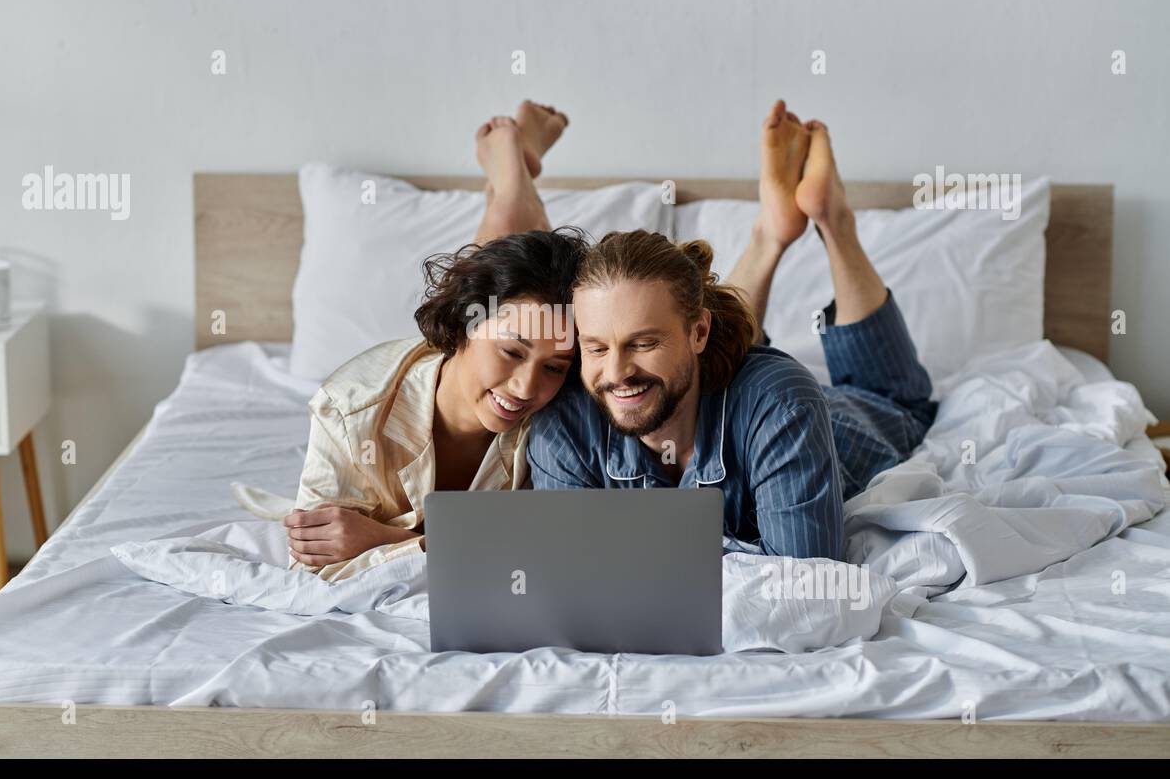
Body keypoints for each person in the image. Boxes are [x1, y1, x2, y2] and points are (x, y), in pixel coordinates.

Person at [526, 100, 939, 560]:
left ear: (699, 333)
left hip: (837, 417)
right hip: (711, 375)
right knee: (719, 347)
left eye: (643, 343)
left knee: (900, 402)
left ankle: (834, 220)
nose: (616, 372)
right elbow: (564, 572)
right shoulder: (563, 422)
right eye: (596, 347)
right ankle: (770, 234)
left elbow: (803, 580)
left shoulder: (782, 405)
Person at [279, 101, 581, 580]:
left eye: (555, 366)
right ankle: (511, 178)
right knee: (513, 284)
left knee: (534, 285)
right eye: (511, 354)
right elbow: (315, 564)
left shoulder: (564, 410)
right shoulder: (350, 412)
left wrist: (389, 539)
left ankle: (510, 181)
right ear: (461, 327)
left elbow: (557, 547)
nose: (526, 389)